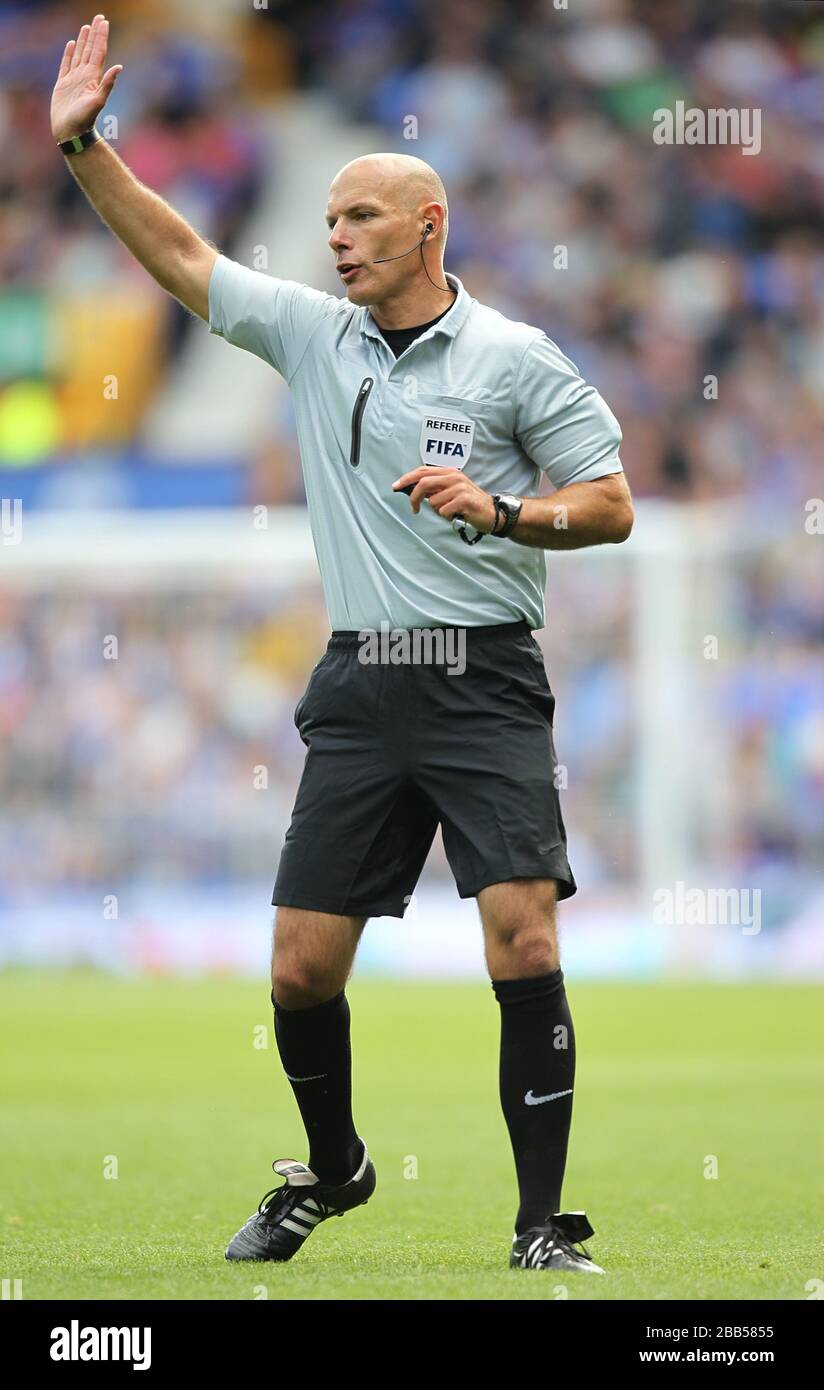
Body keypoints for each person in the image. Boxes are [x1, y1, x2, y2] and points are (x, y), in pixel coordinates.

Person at [52, 13, 633, 1275]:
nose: (335, 238)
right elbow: (179, 250)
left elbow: (609, 503)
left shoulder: (516, 361)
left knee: (521, 938)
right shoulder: (313, 336)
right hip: (364, 680)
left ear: (427, 225)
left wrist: (504, 508)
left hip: (482, 678)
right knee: (301, 969)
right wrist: (86, 148)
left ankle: (541, 1224)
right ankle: (335, 1168)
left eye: (360, 218)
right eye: (327, 221)